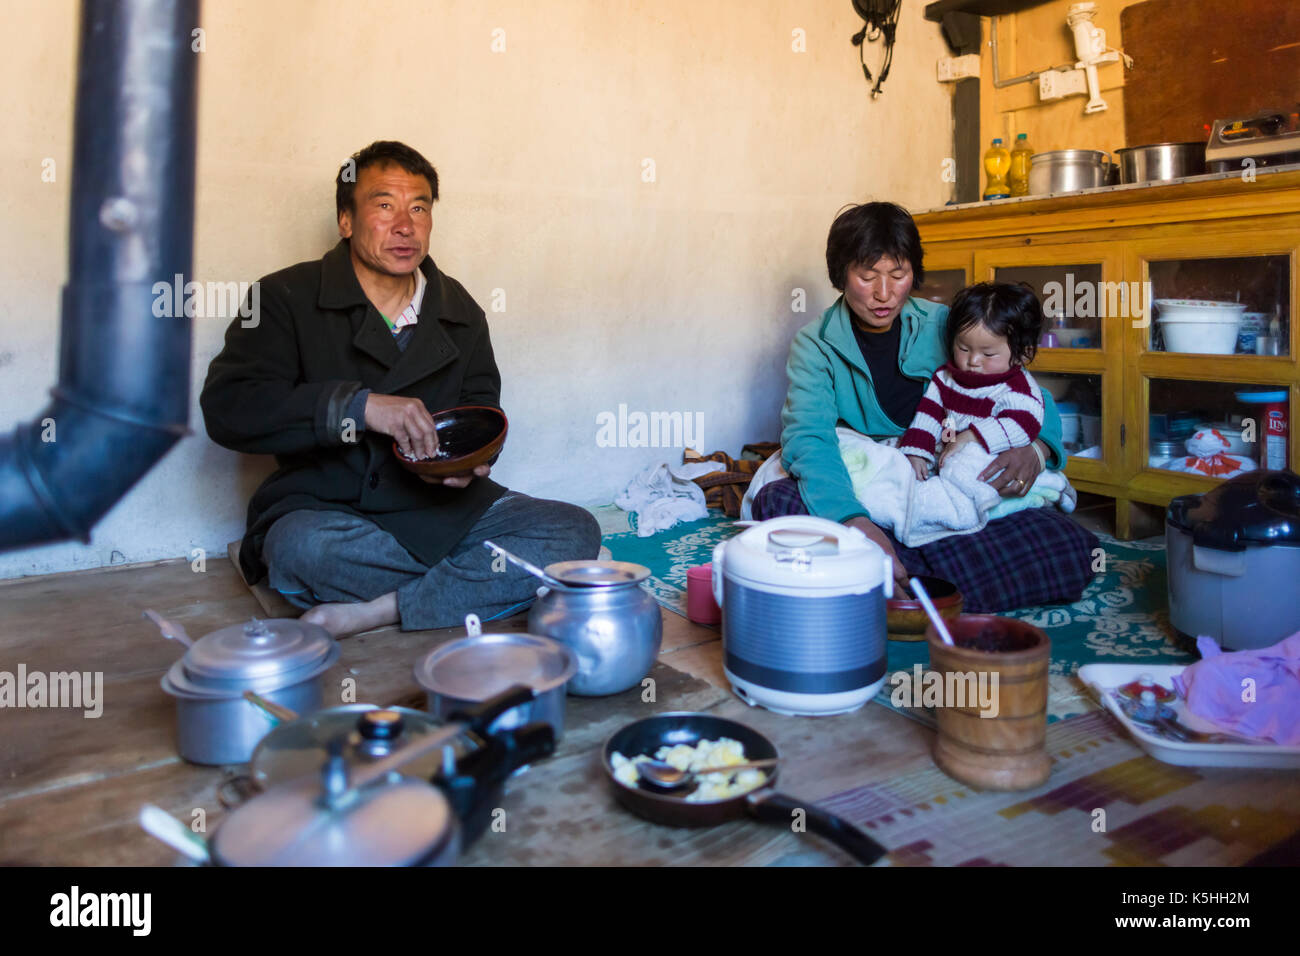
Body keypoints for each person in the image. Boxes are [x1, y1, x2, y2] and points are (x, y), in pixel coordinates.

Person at [200, 141, 600, 636]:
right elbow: (230, 408)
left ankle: (382, 608)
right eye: (384, 205)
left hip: (443, 509)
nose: (404, 225)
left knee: (574, 530)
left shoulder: (460, 311)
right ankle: (487, 583)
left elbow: (482, 411)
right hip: (330, 509)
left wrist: (471, 463)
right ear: (346, 220)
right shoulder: (284, 297)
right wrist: (359, 407)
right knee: (303, 551)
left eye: (419, 207)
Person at [753, 202, 1097, 611]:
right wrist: (855, 522)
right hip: (873, 489)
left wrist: (1036, 451)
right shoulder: (816, 345)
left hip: (943, 486)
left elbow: (1029, 396)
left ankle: (879, 584)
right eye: (867, 276)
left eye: (898, 275)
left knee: (1067, 543)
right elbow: (810, 440)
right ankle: (928, 584)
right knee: (778, 501)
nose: (884, 293)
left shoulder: (945, 324)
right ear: (840, 274)